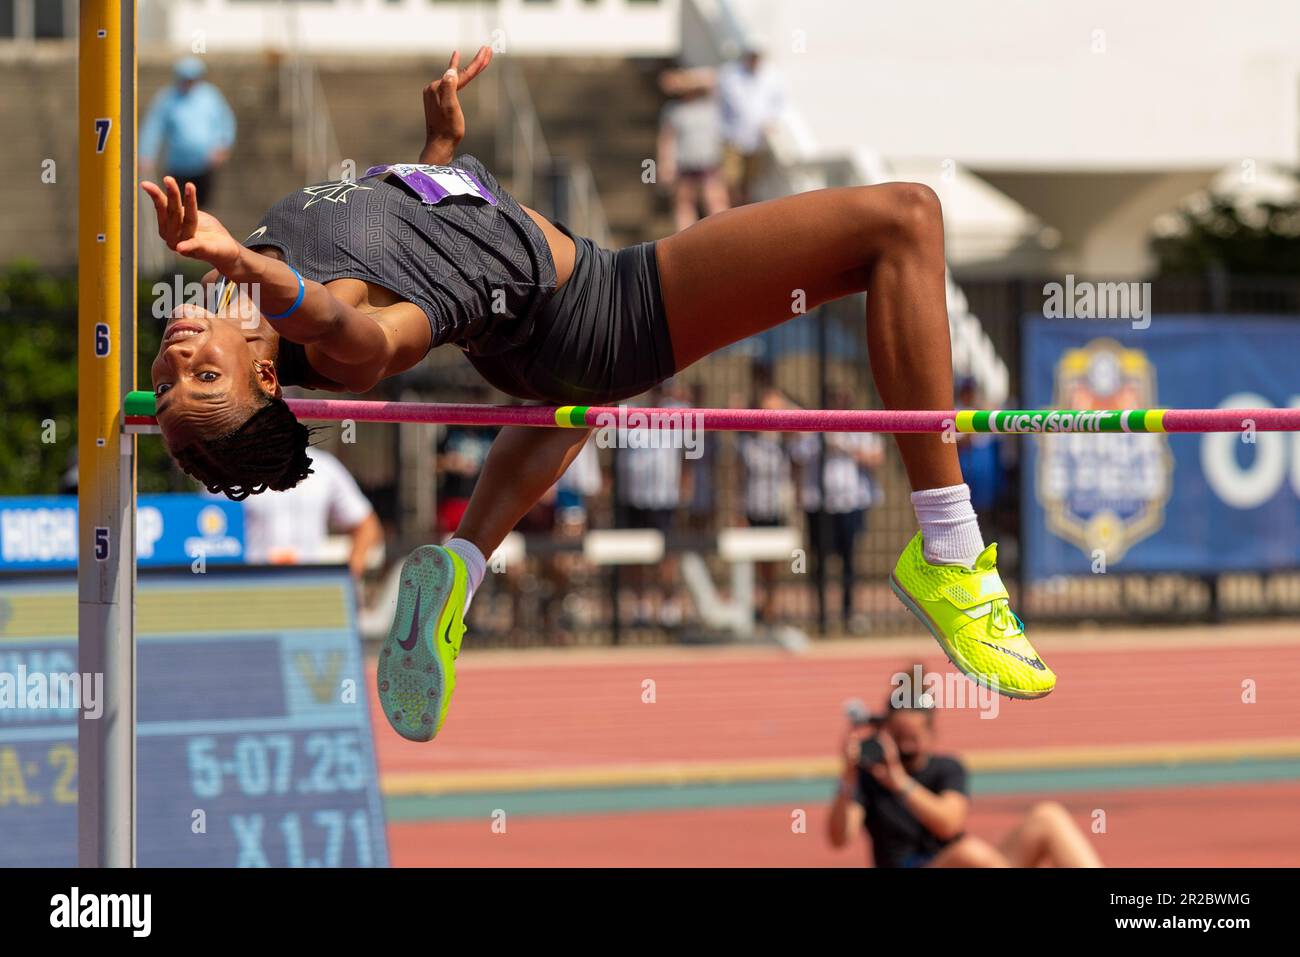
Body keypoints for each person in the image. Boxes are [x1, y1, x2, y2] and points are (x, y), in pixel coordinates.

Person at [141, 47, 1053, 744]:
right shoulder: (326, 332)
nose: (178, 355)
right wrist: (237, 262)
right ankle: (951, 553)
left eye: (169, 378)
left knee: (574, 397)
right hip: (600, 309)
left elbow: (414, 252)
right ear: (267, 375)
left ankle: (461, 564)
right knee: (905, 221)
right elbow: (363, 335)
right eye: (203, 378)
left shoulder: (276, 281)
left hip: (536, 339)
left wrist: (438, 155)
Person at [827, 692, 1103, 868]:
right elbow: (840, 838)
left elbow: (949, 823)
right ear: (883, 733)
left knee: (1048, 816)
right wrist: (848, 777)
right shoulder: (866, 780)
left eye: (913, 739)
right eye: (898, 739)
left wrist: (899, 782)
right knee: (968, 854)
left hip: (972, 863)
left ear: (932, 735)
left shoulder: (947, 768)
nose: (906, 748)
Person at [215, 447, 383, 583]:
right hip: (251, 587)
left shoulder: (324, 467)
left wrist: (349, 576)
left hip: (307, 587)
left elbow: (366, 524)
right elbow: (208, 531)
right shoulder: (234, 470)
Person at [140, 56, 236, 207]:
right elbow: (154, 126)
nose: (188, 83)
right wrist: (146, 153)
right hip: (178, 165)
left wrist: (223, 145)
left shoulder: (210, 96)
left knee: (203, 207)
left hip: (204, 164)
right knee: (178, 207)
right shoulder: (167, 98)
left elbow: (225, 121)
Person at [657, 67, 730, 232]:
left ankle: (723, 235)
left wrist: (686, 80)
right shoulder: (673, 110)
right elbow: (666, 140)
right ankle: (685, 241)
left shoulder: (710, 103)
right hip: (685, 164)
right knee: (684, 205)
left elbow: (714, 77)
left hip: (709, 162)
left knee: (716, 202)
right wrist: (665, 166)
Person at [717, 44, 786, 206]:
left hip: (757, 139)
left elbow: (780, 104)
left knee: (751, 180)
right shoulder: (730, 74)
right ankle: (732, 212)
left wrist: (771, 121)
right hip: (732, 136)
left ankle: (742, 212)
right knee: (731, 179)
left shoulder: (771, 76)